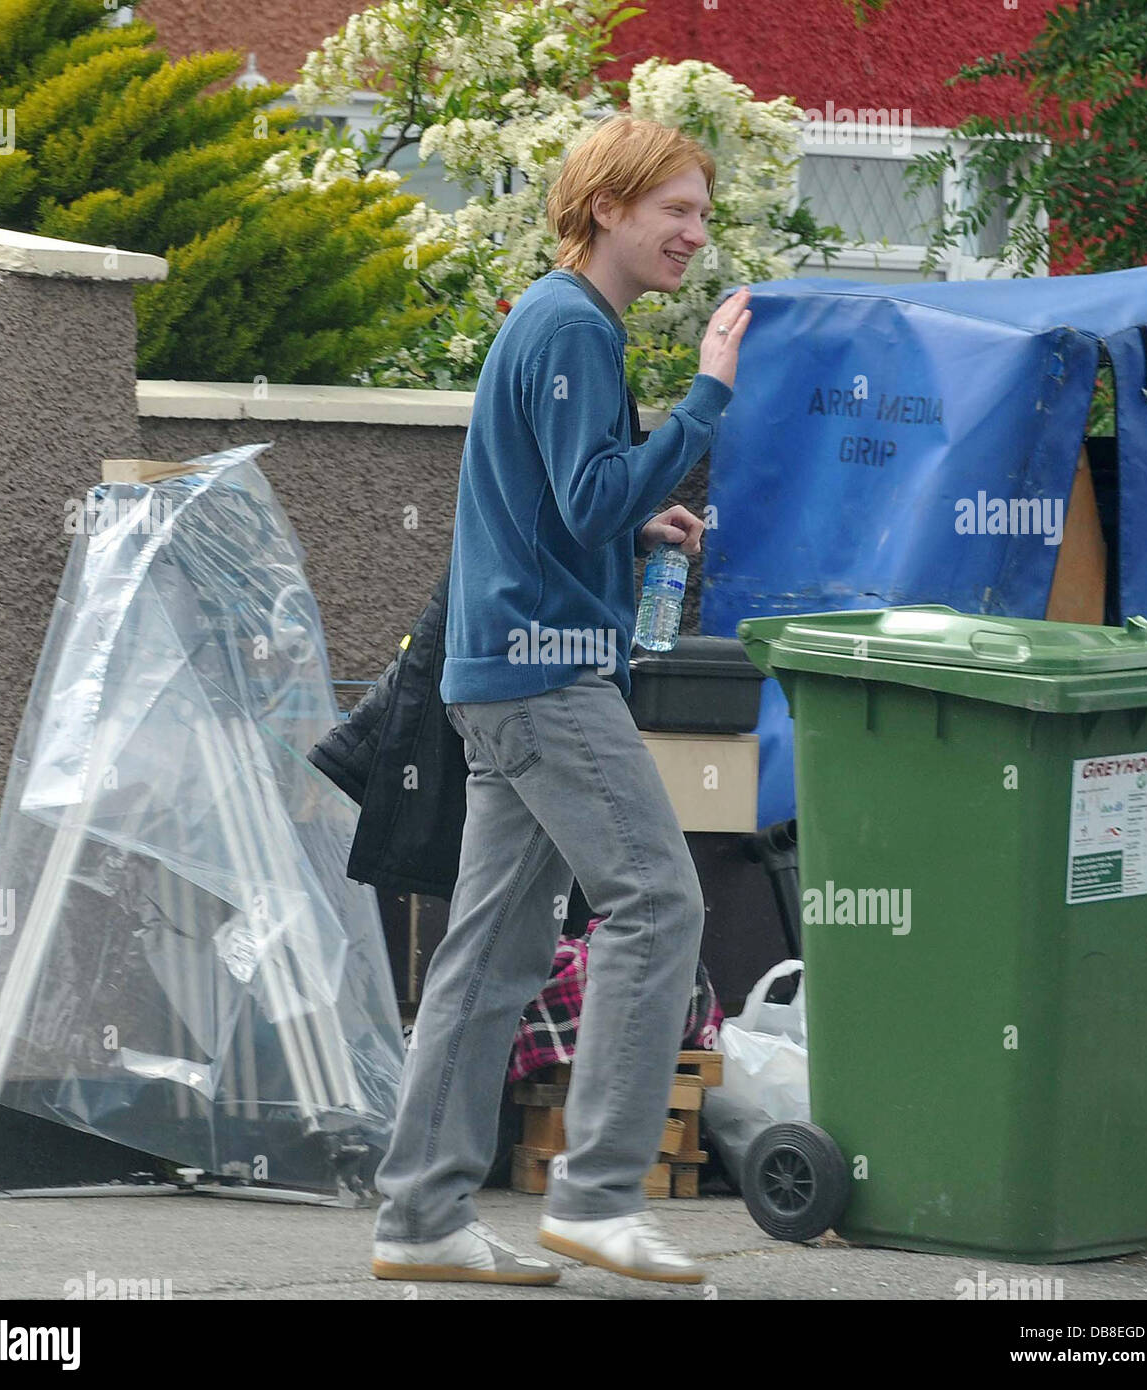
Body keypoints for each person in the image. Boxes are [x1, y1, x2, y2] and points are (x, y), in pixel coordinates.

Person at [371, 114, 752, 1287]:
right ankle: (593, 1197)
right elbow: (582, 501)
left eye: (699, 210)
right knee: (657, 900)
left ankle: (420, 1217)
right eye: (674, 210)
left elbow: (558, 505)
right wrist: (705, 400)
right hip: (545, 678)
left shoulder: (552, 322)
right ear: (606, 210)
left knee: (488, 954)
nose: (696, 231)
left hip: (506, 670)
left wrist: (638, 519)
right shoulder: (572, 328)